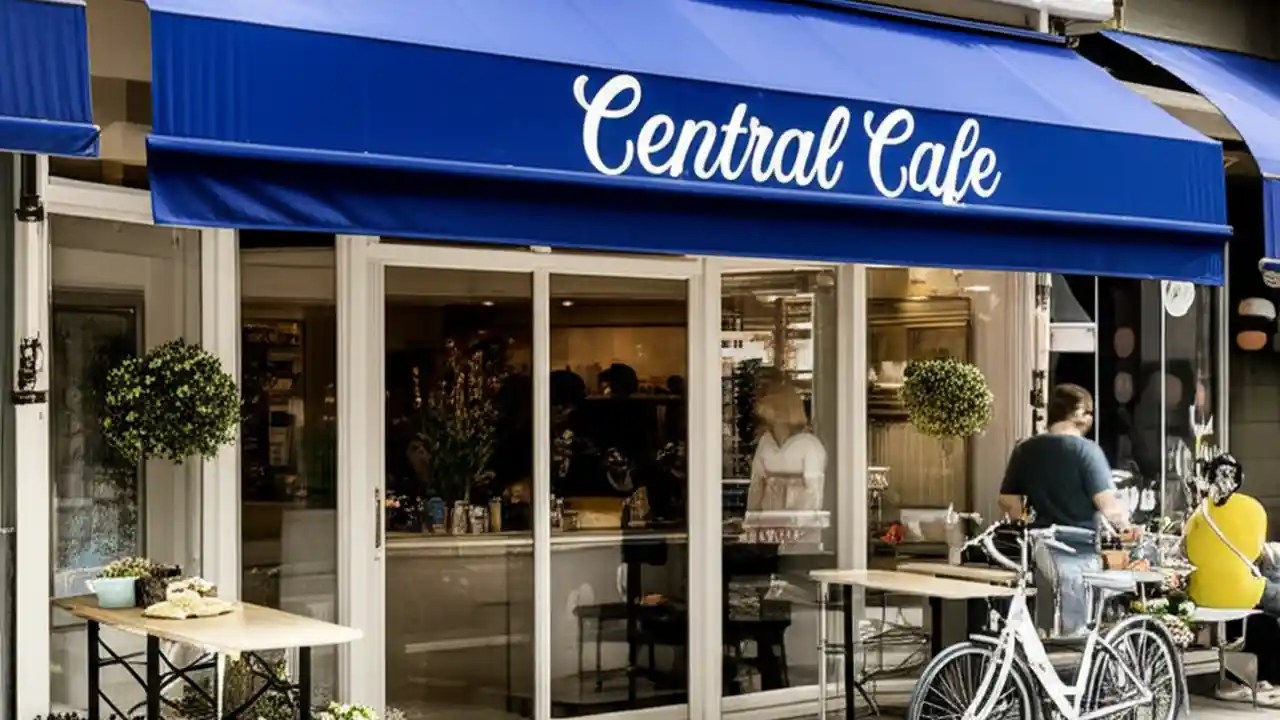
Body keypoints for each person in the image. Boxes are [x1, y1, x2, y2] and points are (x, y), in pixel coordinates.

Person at [998, 383, 1131, 636]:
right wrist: (1125, 524)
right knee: (1083, 628)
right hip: (1079, 551)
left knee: (1043, 625)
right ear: (1081, 413)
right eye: (1089, 412)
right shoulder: (1087, 452)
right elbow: (1109, 507)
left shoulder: (1025, 450)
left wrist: (1027, 517)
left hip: (1040, 551)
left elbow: (1008, 501)